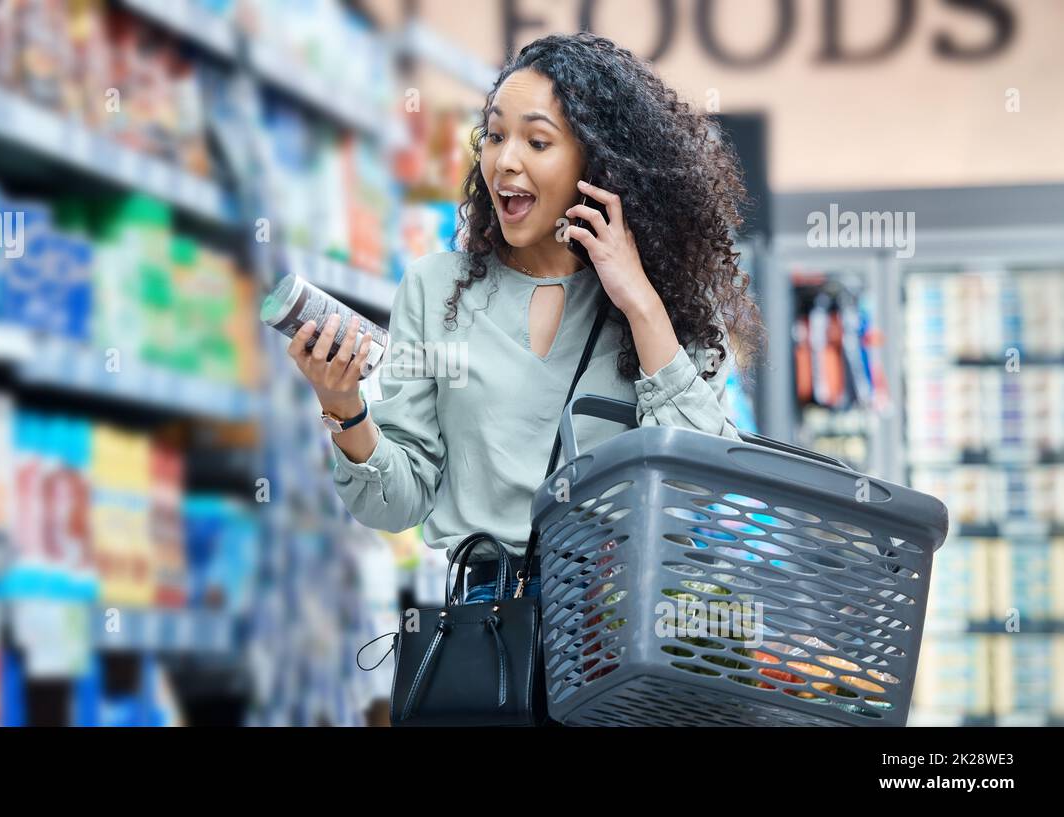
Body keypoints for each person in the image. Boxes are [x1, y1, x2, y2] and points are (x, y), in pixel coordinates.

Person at [286, 32, 764, 604]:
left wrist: (637, 299)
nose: (505, 161)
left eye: (538, 141)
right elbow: (398, 501)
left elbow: (699, 485)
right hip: (488, 633)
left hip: (620, 631)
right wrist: (344, 407)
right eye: (493, 135)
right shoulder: (435, 290)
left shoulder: (668, 304)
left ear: (598, 161)